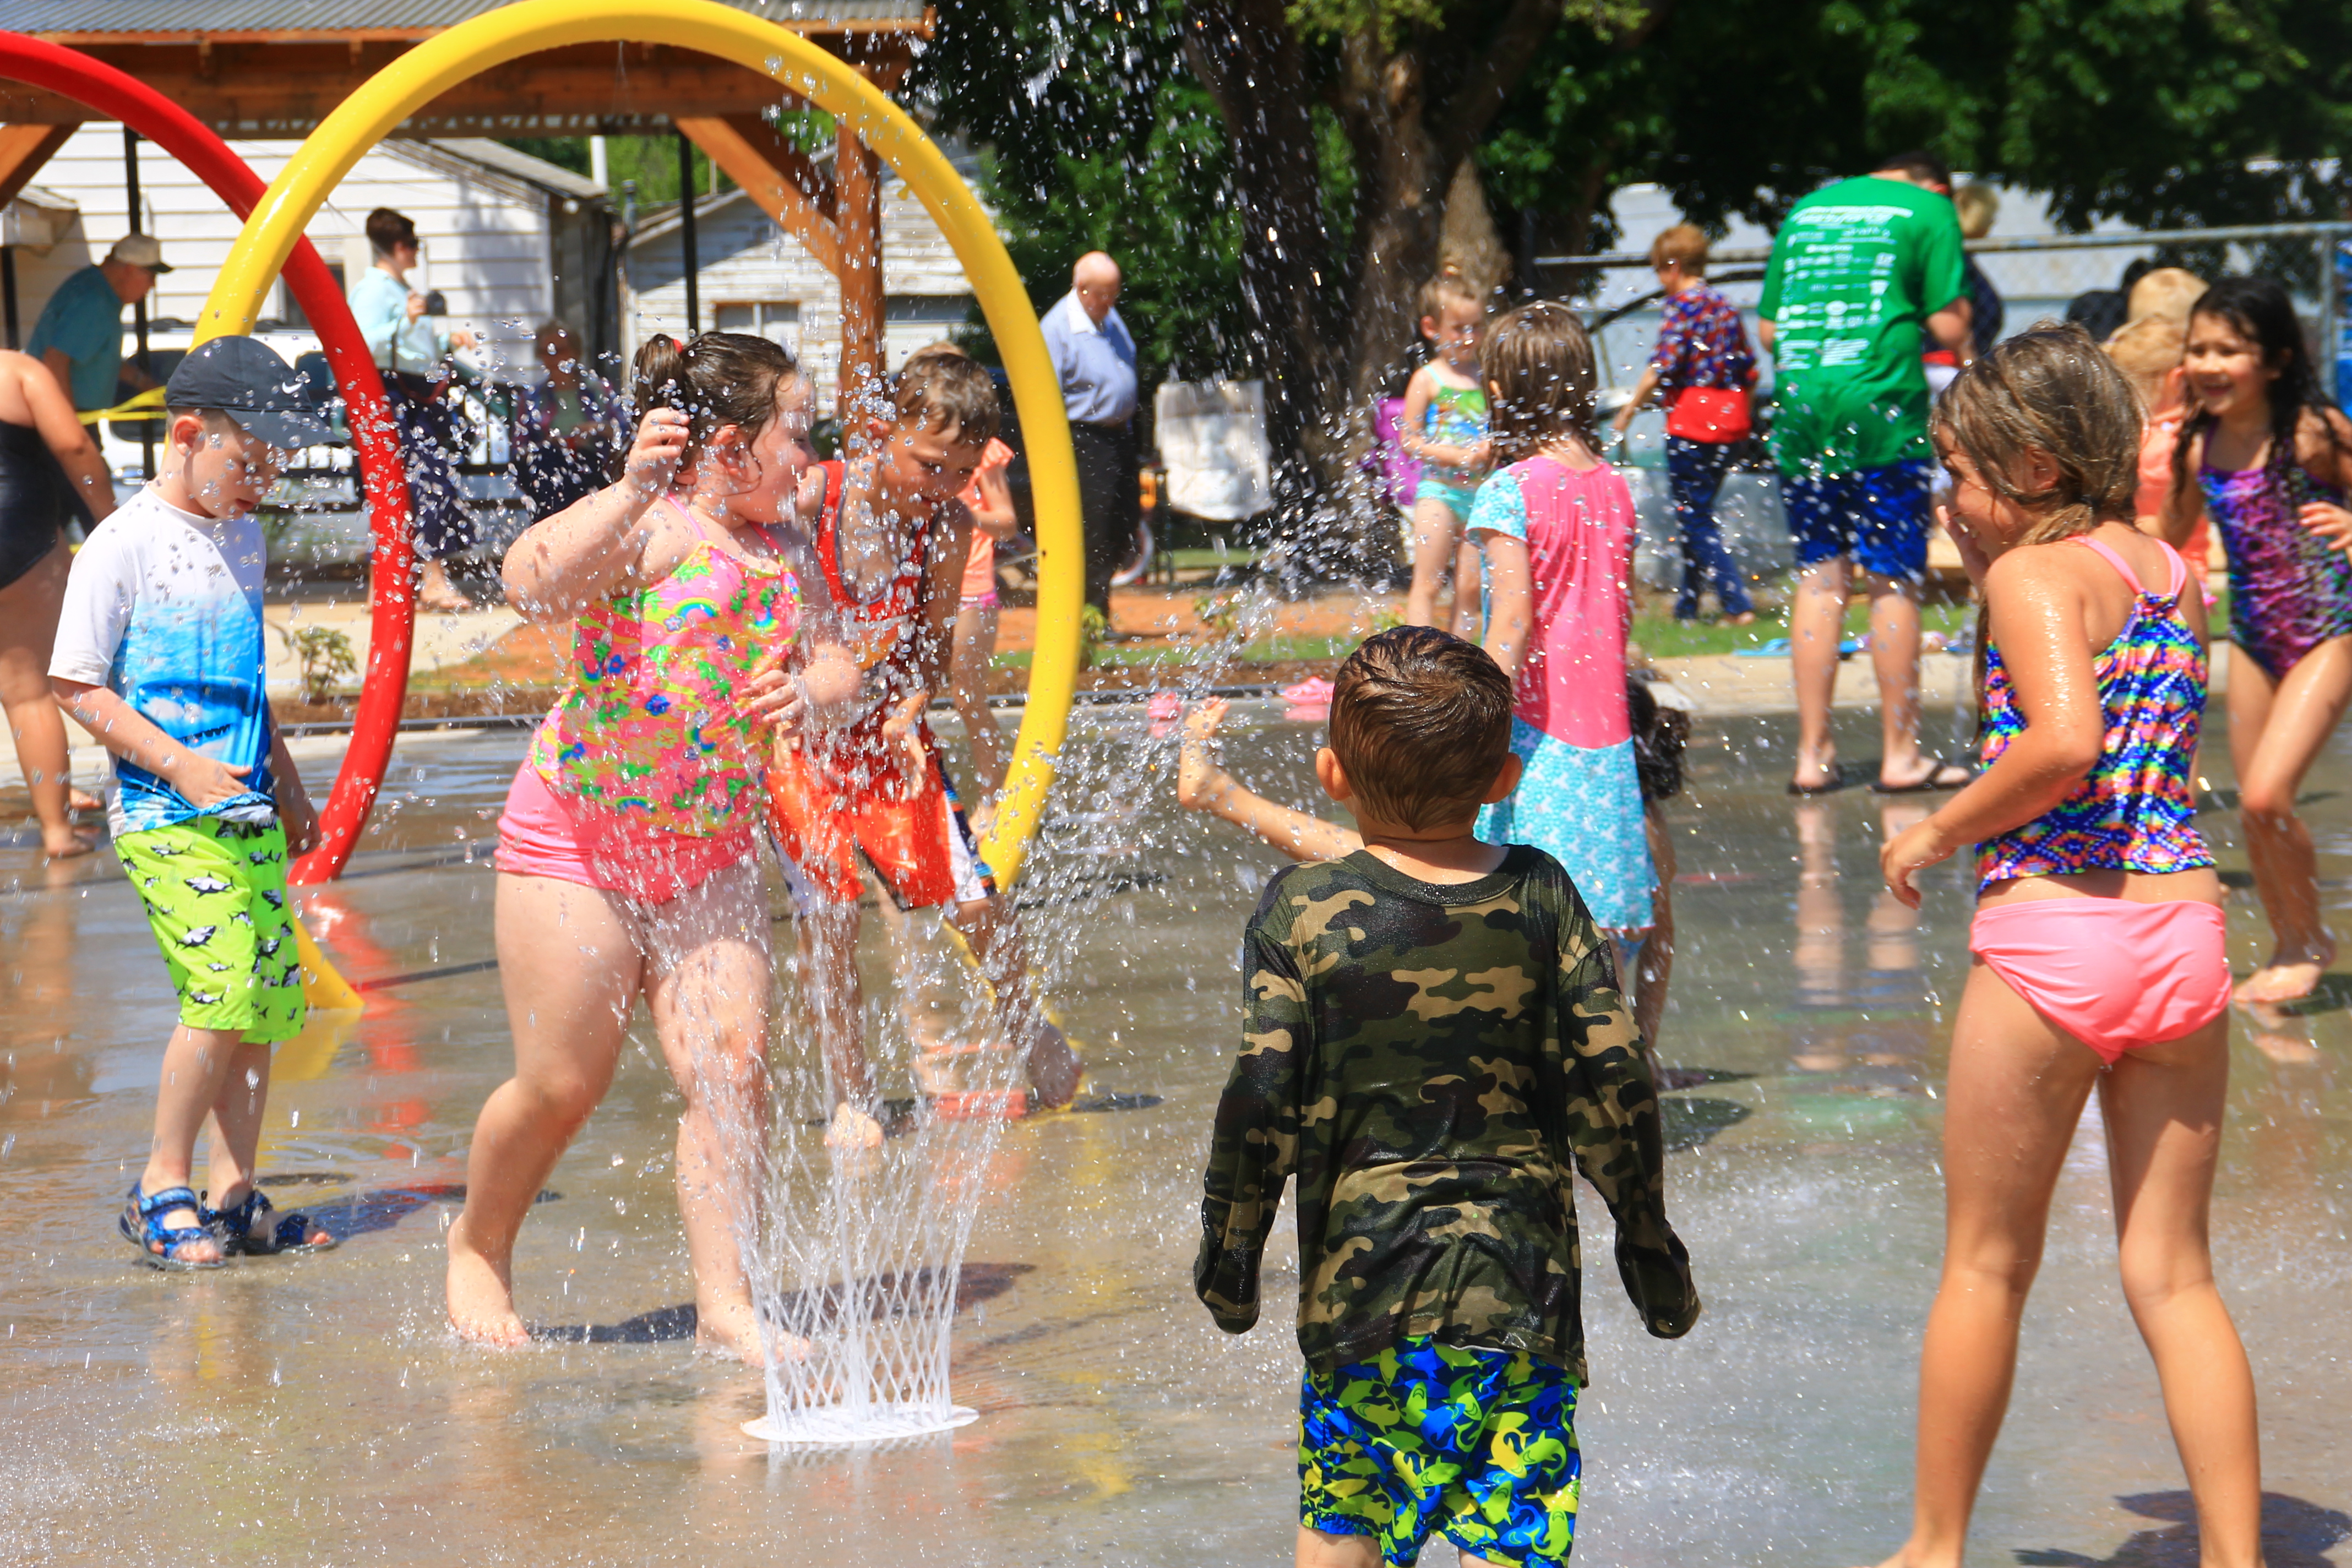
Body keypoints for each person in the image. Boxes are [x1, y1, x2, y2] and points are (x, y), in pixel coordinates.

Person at [1874, 325, 2260, 1568]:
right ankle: (2238, 1555)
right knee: (2176, 1273)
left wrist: (1935, 827)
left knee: (1985, 1263)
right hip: (2182, 933)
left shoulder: (2031, 580)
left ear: (2036, 469)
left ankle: (1933, 1546)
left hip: (2057, 930)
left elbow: (2061, 744)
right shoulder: (2163, 567)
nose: (1949, 498)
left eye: (1963, 472)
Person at [1192, 625, 1700, 1568]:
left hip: (1360, 1297)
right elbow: (1616, 1072)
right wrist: (1646, 1239)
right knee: (1507, 1529)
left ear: (1330, 773)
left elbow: (1259, 1089)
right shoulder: (1539, 895)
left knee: (1342, 1514)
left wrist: (1231, 1254)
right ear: (1505, 777)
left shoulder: (1300, 911)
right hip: (1519, 1296)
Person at [446, 330, 857, 1353]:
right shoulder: (656, 528)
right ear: (729, 447)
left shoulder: (790, 545)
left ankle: (728, 1305)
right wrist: (628, 487)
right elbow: (527, 582)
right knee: (561, 1086)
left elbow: (840, 661)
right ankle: (478, 1247)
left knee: (732, 1066)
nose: (809, 457)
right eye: (795, 434)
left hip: (707, 846)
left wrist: (809, 692)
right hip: (576, 839)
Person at [48, 336, 333, 1268]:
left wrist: (285, 782)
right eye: (251, 460)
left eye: (277, 463)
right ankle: (159, 1183)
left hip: (244, 805)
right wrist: (180, 766)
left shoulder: (241, 537)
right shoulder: (120, 544)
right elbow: (76, 686)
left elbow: (248, 682)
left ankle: (233, 1190)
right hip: (164, 812)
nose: (265, 481)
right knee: (218, 995)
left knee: (262, 1008)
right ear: (186, 435)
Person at [765, 353, 1081, 1149]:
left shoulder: (950, 526)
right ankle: (853, 1093)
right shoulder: (814, 497)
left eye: (966, 472)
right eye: (932, 465)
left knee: (972, 896)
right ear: (880, 431)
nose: (945, 484)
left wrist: (910, 710)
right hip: (800, 741)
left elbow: (930, 647)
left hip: (887, 738)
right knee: (828, 914)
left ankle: (1030, 1028)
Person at [1760, 149, 1977, 796]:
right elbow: (1949, 324)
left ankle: (1811, 755)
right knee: (1891, 581)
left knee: (1821, 580)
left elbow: (1771, 331)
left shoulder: (1805, 209)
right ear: (1937, 184)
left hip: (1802, 409)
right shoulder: (1930, 209)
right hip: (1880, 408)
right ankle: (1900, 754)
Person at [2162, 276, 2352, 1004]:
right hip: (2252, 637)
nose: (2209, 363)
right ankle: (2291, 943)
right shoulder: (2198, 444)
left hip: (2330, 628)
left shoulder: (2313, 432)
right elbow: (2169, 538)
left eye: (2228, 350)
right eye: (2198, 348)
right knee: (2252, 807)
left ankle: (2310, 943)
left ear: (2274, 361)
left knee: (2271, 794)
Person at [1609, 224, 1758, 624]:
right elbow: (1748, 365)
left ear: (1673, 267)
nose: (1660, 280)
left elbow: (1663, 364)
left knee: (1693, 516)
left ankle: (1736, 602)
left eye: (1660, 270)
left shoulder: (1683, 307)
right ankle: (1688, 605)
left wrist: (1629, 409)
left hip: (1693, 421)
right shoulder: (1726, 306)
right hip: (1733, 422)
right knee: (1698, 511)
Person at [0, 350, 117, 857]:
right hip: (18, 530)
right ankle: (56, 831)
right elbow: (73, 445)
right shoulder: (18, 371)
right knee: (27, 694)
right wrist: (107, 516)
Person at [349, 207, 481, 613]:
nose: (417, 253)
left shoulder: (397, 288)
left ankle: (397, 585)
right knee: (409, 485)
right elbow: (359, 344)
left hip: (412, 394)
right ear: (398, 247)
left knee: (417, 485)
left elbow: (415, 345)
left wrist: (446, 339)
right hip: (389, 394)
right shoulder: (374, 291)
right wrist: (402, 323)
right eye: (413, 245)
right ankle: (426, 582)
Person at [906, 341, 1016, 805]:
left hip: (971, 587)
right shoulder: (912, 448)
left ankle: (994, 796)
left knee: (968, 696)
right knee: (912, 696)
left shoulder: (982, 451)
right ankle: (918, 799)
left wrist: (962, 513)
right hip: (924, 588)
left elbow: (1008, 520)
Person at [1039, 251, 1139, 621]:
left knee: (1123, 522)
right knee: (1093, 530)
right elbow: (1043, 395)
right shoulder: (1057, 328)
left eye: (1114, 294)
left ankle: (1099, 603)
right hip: (1081, 440)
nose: (1110, 303)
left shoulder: (1108, 320)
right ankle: (1088, 616)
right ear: (1082, 290)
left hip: (1119, 437)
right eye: (1103, 295)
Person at [1397, 265, 1490, 635]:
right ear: (1432, 328)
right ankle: (1416, 664)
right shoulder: (1428, 379)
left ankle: (1459, 670)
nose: (1469, 337)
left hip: (1480, 496)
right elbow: (1409, 440)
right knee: (1428, 583)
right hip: (1439, 491)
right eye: (1459, 328)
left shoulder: (1488, 376)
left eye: (1477, 326)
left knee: (1470, 590)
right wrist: (1456, 455)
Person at [26, 234, 168, 416]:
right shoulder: (94, 302)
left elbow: (99, 358)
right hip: (62, 416)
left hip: (64, 415)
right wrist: (68, 423)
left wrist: (144, 383)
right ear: (131, 269)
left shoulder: (97, 290)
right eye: (151, 276)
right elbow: (55, 360)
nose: (153, 286)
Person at [508, 321, 624, 522]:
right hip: (548, 471)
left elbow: (624, 432)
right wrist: (551, 442)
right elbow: (519, 450)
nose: (554, 358)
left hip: (593, 466)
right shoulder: (531, 398)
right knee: (549, 462)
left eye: (559, 350)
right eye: (546, 352)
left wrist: (595, 429)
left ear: (576, 352)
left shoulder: (599, 391)